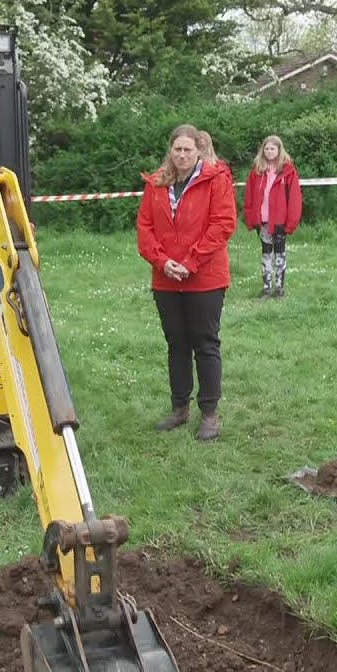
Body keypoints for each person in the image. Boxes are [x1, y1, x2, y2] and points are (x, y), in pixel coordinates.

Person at [135, 124, 237, 442]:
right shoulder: (156, 184)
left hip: (204, 278)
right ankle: (179, 408)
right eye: (177, 149)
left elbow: (222, 225)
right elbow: (145, 227)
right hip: (166, 279)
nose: (181, 155)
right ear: (171, 151)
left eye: (187, 150)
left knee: (205, 344)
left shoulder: (215, 180)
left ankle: (209, 414)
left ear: (198, 151)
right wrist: (163, 262)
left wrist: (190, 262)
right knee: (176, 344)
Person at [242, 135, 302, 298]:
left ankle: (279, 288)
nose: (269, 152)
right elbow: (249, 196)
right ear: (263, 150)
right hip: (262, 220)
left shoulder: (288, 171)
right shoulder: (257, 171)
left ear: (279, 150)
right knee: (266, 253)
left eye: (272, 149)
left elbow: (295, 199)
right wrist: (250, 218)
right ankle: (267, 287)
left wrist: (291, 223)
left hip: (280, 221)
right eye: (266, 149)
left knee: (280, 254)